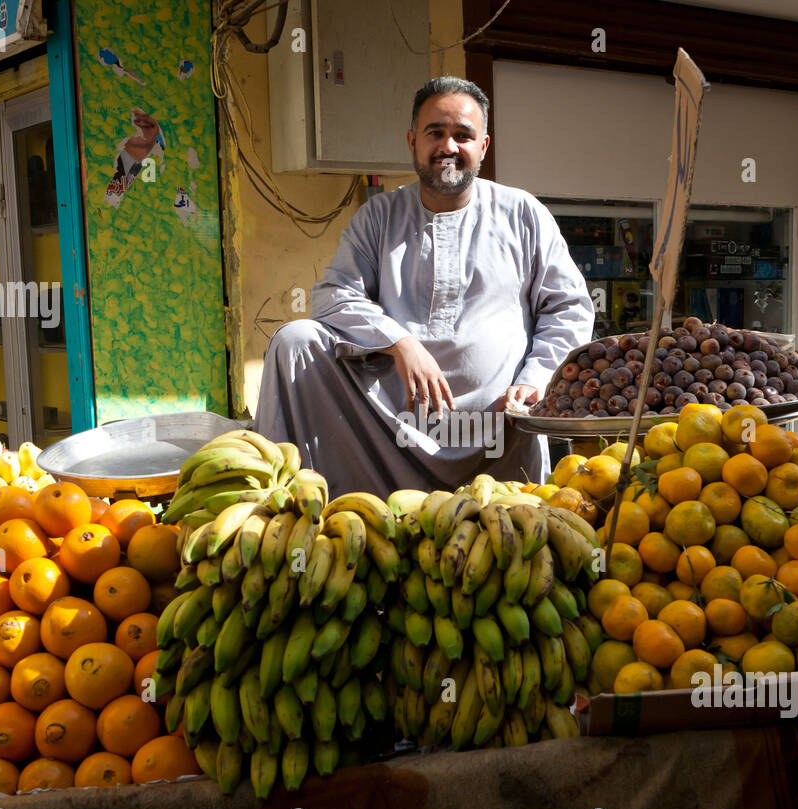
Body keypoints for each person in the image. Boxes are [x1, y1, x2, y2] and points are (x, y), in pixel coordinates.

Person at [255, 77, 594, 496]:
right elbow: (333, 295)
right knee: (296, 340)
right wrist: (400, 342)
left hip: (497, 429)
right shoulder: (379, 217)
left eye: (463, 135)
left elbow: (569, 308)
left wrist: (536, 377)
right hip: (395, 431)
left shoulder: (522, 213)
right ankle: (272, 501)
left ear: (483, 147)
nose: (448, 147)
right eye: (435, 133)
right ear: (413, 141)